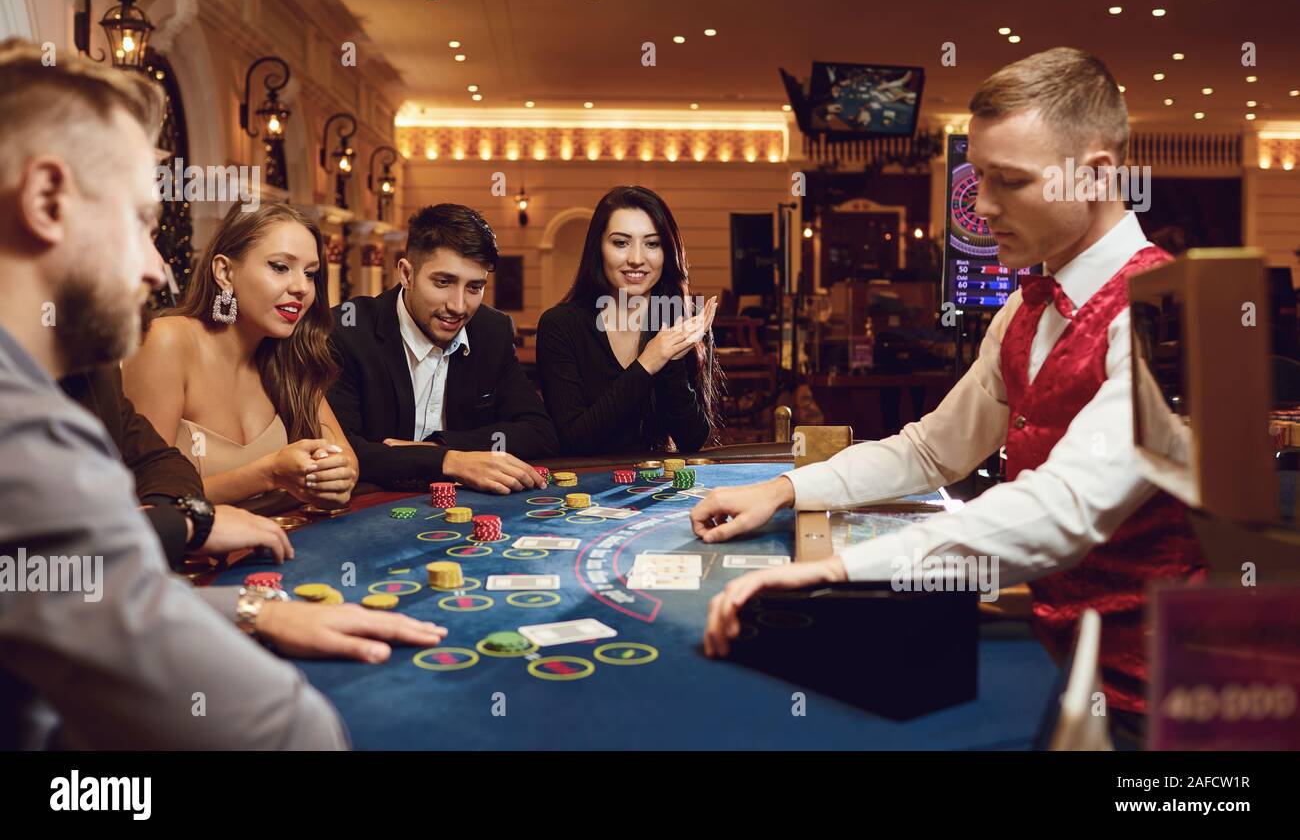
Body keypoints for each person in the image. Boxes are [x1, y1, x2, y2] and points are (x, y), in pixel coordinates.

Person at [695, 48, 1205, 743]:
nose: (982, 206)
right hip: (1051, 664)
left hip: (1149, 705)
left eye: (1009, 182)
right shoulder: (1025, 308)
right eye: (979, 178)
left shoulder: (1162, 308)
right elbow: (933, 450)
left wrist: (842, 572)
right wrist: (784, 489)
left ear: (1097, 174)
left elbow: (1065, 509)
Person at [0, 38, 445, 749]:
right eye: (142, 224)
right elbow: (290, 734)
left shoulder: (61, 383)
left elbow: (96, 589)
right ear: (48, 199)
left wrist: (245, 610)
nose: (156, 269)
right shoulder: (19, 424)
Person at [125, 202, 360, 509]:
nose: (301, 287)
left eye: (311, 273)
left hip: (283, 546)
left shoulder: (290, 355)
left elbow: (346, 459)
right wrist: (267, 474)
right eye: (280, 267)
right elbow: (143, 499)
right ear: (225, 272)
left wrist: (338, 476)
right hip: (189, 554)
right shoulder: (167, 341)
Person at [328, 204, 557, 494]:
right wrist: (450, 462)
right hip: (370, 507)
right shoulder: (348, 331)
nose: (458, 306)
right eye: (443, 282)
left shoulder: (492, 330)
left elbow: (539, 432)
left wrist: (441, 446)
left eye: (474, 287)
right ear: (406, 274)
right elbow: (341, 452)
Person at [535, 186, 721, 456]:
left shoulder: (684, 319)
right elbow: (575, 441)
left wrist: (672, 362)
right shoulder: (560, 325)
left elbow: (692, 441)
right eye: (621, 243)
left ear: (667, 252)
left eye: (652, 244)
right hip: (583, 489)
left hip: (657, 489)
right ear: (598, 248)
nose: (636, 259)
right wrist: (649, 361)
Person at [60, 363, 294, 568]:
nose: (148, 312)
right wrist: (186, 524)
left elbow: (159, 461)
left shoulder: (95, 366)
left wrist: (168, 518)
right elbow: (48, 552)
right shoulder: (26, 389)